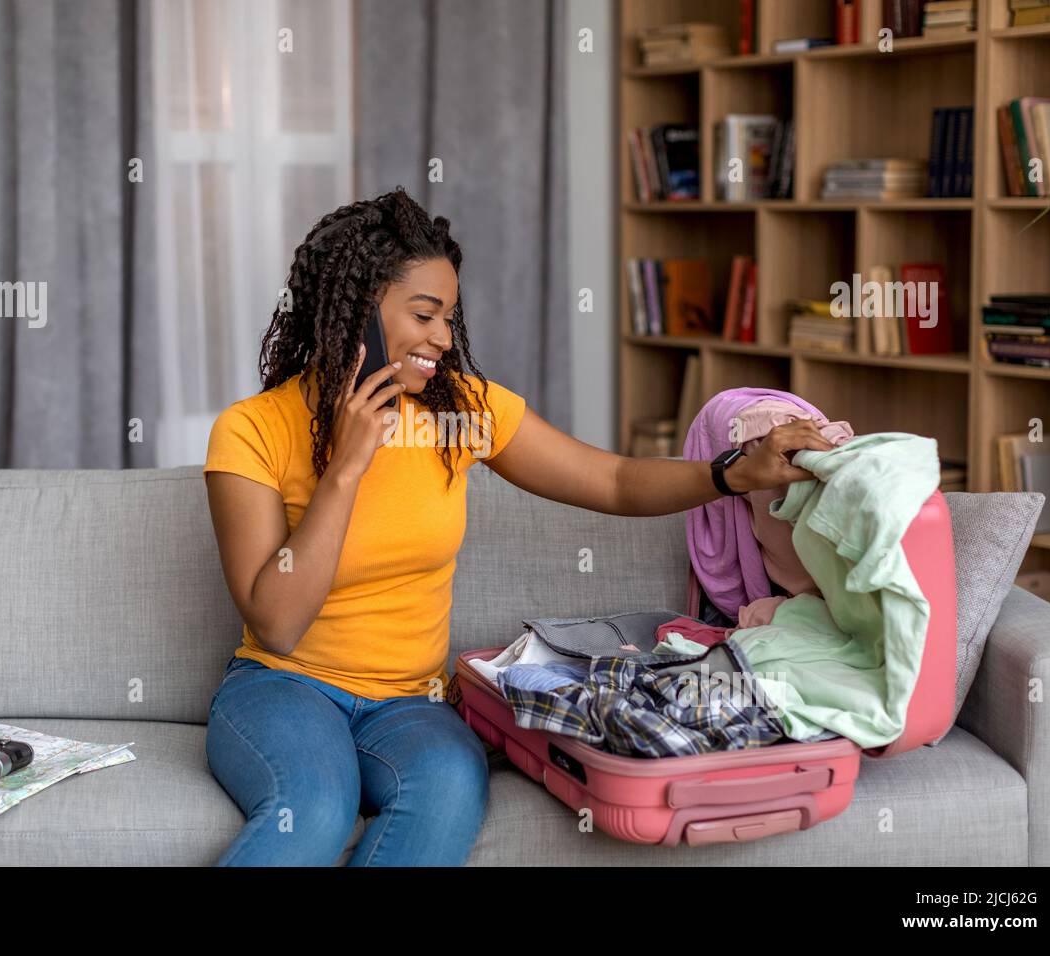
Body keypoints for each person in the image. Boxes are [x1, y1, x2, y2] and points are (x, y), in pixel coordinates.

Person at [202, 186, 833, 866]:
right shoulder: (253, 429)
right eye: (424, 314)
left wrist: (728, 473)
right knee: (316, 808)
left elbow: (614, 480)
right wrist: (347, 470)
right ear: (358, 312)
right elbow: (278, 623)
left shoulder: (462, 413)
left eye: (449, 316)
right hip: (283, 687)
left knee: (448, 785)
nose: (444, 338)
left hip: (408, 702)